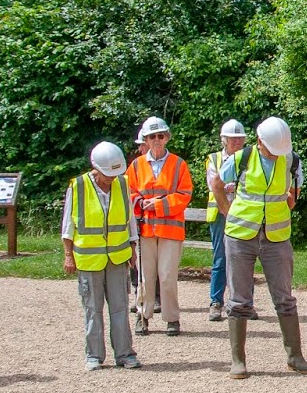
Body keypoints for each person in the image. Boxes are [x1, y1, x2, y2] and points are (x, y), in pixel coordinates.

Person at [220, 117, 307, 378]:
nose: (276, 155)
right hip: (240, 235)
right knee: (239, 299)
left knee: (285, 298)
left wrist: (288, 202)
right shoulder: (241, 157)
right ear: (260, 141)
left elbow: (294, 193)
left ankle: (295, 357)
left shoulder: (291, 160)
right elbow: (217, 182)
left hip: (277, 236)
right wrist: (226, 211)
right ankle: (237, 361)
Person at [62, 142, 141, 371]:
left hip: (117, 257)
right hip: (89, 259)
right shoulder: (77, 187)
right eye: (108, 174)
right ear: (95, 168)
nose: (111, 179)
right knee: (93, 310)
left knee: (120, 308)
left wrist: (132, 248)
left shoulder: (122, 184)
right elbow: (68, 225)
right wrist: (69, 255)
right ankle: (94, 356)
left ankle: (125, 354)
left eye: (115, 174)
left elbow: (130, 220)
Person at [126, 116, 193, 337]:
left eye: (160, 136)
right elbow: (129, 193)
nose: (157, 140)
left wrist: (159, 204)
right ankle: (142, 316)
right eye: (152, 136)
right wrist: (140, 203)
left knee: (167, 275)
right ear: (145, 139)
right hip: (145, 229)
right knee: (145, 275)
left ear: (167, 138)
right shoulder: (135, 166)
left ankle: (172, 318)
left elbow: (185, 195)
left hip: (170, 230)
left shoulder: (178, 164)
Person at [205, 119, 248, 322]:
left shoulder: (248, 159)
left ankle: (244, 303)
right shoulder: (213, 159)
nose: (237, 142)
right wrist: (230, 186)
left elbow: (245, 185)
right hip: (220, 216)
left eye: (240, 139)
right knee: (220, 259)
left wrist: (230, 185)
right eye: (233, 139)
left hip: (242, 213)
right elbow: (215, 185)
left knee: (243, 260)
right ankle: (216, 302)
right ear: (224, 140)